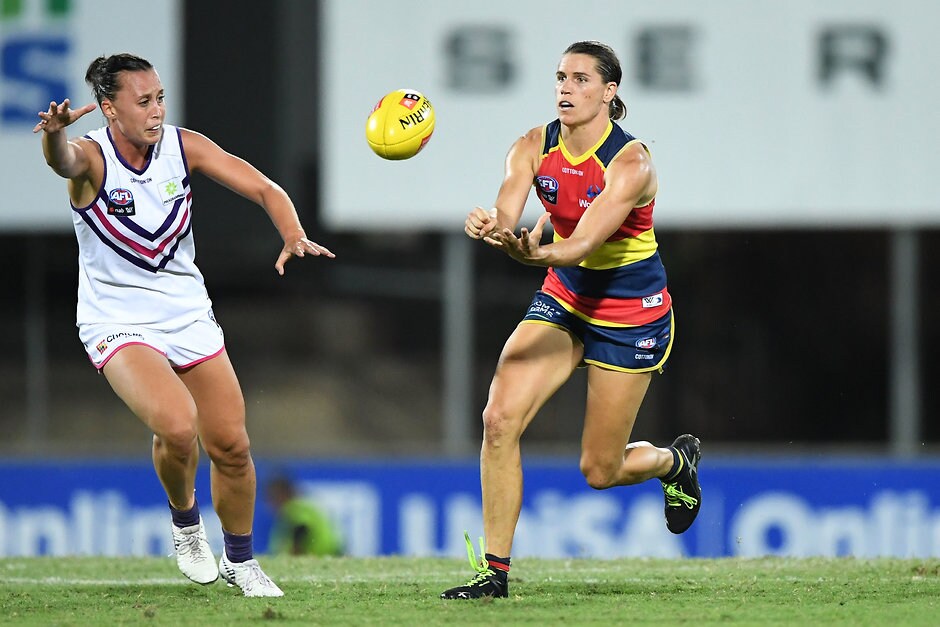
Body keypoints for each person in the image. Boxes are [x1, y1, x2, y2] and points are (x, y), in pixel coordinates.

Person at [33, 53, 334, 598]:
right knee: (176, 426)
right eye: (143, 101)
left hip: (186, 312)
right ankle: (186, 523)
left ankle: (241, 562)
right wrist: (53, 137)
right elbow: (64, 162)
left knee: (232, 446)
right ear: (108, 108)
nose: (157, 110)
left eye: (160, 98)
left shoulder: (182, 145)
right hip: (117, 317)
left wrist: (291, 232)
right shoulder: (93, 159)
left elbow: (263, 187)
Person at [440, 41, 701, 600]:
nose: (566, 88)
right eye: (561, 77)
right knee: (498, 421)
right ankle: (495, 574)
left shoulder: (632, 163)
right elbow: (511, 215)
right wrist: (496, 227)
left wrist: (533, 253)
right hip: (566, 297)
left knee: (599, 471)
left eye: (582, 79)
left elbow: (580, 243)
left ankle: (673, 462)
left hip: (629, 313)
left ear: (610, 92)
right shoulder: (532, 146)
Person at [265, 475, 343, 557]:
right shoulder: (304, 505)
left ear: (282, 494)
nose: (270, 503)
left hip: (323, 554)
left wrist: (295, 553)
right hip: (331, 550)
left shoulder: (294, 507)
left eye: (272, 497)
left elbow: (302, 528)